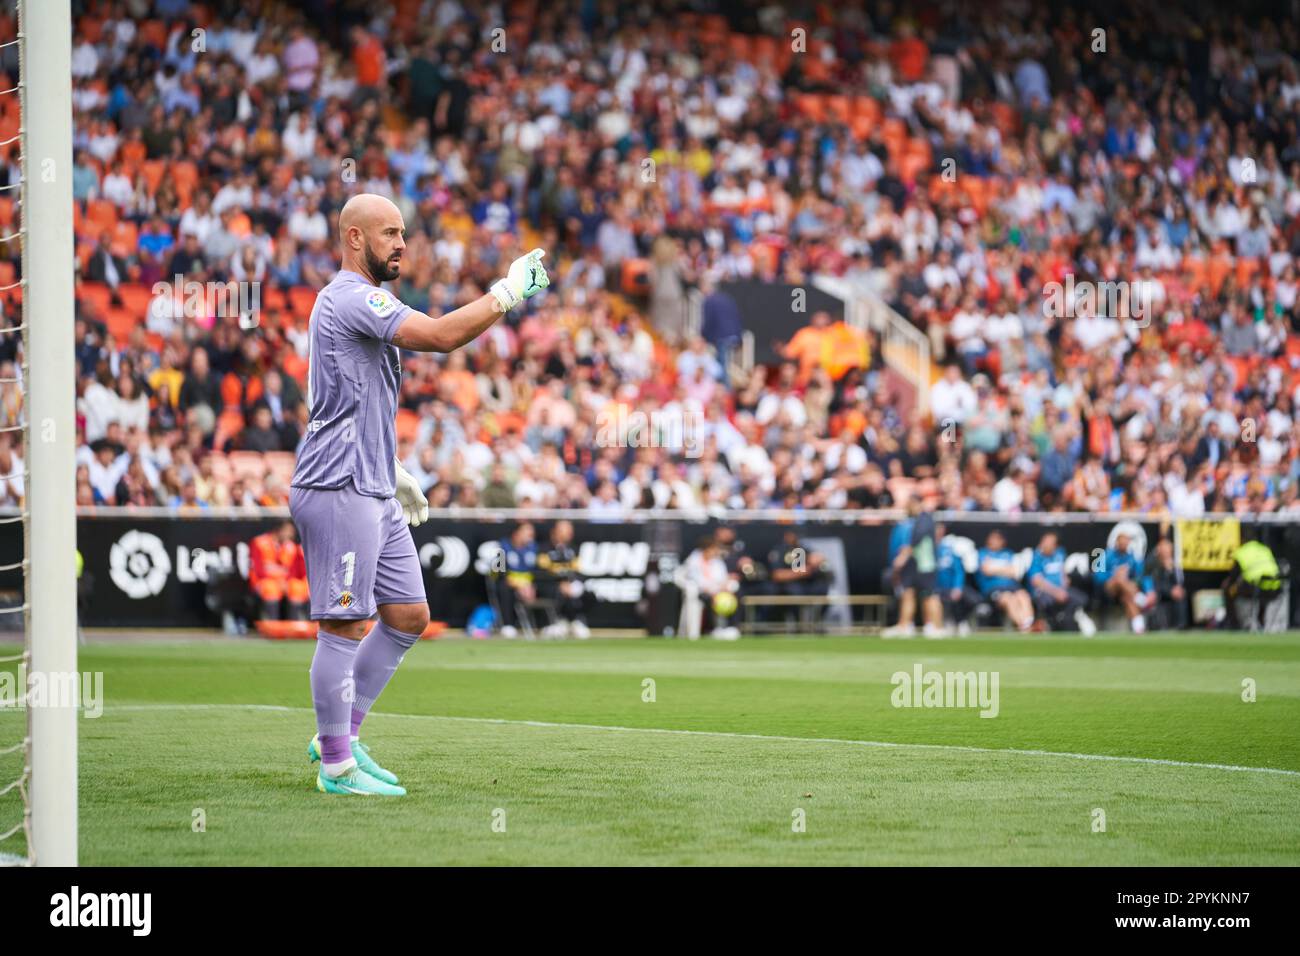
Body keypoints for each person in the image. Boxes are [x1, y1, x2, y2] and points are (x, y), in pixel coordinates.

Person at [291, 193, 550, 797]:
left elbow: (351, 396)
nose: (401, 243)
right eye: (388, 233)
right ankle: (336, 767)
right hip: (339, 483)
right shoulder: (353, 296)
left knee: (408, 616)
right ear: (354, 239)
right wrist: (506, 293)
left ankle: (344, 736)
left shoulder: (356, 302)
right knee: (344, 625)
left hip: (373, 480)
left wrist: (393, 465)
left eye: (403, 232)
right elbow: (437, 336)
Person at [1026, 531, 1096, 635]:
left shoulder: (1060, 553)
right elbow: (1037, 581)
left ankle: (1071, 618)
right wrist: (1056, 592)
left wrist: (1064, 584)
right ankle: (1051, 623)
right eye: (1044, 541)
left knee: (1081, 598)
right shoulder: (1036, 557)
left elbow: (1062, 573)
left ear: (1055, 545)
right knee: (1048, 600)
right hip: (1044, 591)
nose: (1045, 544)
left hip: (1060, 590)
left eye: (1049, 542)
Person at [976, 530, 1037, 632]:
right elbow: (986, 570)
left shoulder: (1008, 553)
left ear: (1002, 541)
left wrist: (994, 567)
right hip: (993, 589)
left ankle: (1028, 624)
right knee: (1009, 598)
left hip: (1012, 586)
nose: (993, 541)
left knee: (1023, 595)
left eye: (997, 539)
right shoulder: (983, 553)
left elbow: (1014, 572)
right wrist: (1005, 568)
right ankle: (1025, 628)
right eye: (992, 538)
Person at [537, 519, 589, 639]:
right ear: (555, 531)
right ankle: (554, 622)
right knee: (558, 591)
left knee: (582, 592)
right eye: (565, 531)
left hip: (568, 584)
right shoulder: (544, 548)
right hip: (549, 584)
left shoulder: (573, 549)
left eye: (570, 531)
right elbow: (543, 572)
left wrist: (574, 583)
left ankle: (574, 621)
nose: (569, 534)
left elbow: (578, 571)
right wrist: (560, 582)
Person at [249, 520, 310, 621]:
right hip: (264, 581)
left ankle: (294, 625)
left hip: (284, 582)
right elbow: (258, 570)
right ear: (278, 530)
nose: (290, 535)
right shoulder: (259, 543)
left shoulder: (291, 547)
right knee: (270, 588)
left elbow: (295, 571)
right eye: (288, 531)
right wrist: (279, 579)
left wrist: (285, 581)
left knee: (297, 588)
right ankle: (271, 625)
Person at [1092, 531, 1152, 634]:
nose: (1124, 544)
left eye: (1126, 542)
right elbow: (1097, 575)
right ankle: (1141, 599)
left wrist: (1149, 590)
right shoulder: (1106, 555)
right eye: (1121, 542)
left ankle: (1139, 628)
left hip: (1125, 591)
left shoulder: (1132, 557)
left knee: (1128, 598)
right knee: (1119, 580)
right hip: (1108, 588)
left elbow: (1141, 575)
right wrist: (1114, 576)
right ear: (1117, 542)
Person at [1223, 532, 1284, 632]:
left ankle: (1234, 624)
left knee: (1228, 589)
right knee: (1263, 593)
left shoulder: (1241, 551)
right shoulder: (1265, 549)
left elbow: (1233, 575)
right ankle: (1261, 619)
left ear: (1242, 540)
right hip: (1274, 588)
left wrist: (1230, 584)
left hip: (1255, 589)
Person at [488, 522, 540, 639]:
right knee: (504, 588)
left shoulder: (534, 549)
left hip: (528, 586)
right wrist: (517, 584)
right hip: (509, 584)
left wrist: (530, 586)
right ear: (516, 534)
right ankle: (508, 625)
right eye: (527, 533)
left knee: (547, 587)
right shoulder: (502, 548)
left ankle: (548, 624)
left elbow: (538, 571)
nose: (530, 536)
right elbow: (498, 571)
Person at [935, 524, 979, 637]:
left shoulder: (949, 548)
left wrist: (957, 587)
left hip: (951, 587)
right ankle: (943, 623)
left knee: (972, 600)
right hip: (936, 587)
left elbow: (958, 570)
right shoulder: (930, 548)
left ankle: (961, 621)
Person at [1143, 538, 1188, 630]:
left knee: (1180, 594)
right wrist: (1169, 590)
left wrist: (1171, 571)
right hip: (1157, 590)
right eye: (1164, 550)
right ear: (1159, 550)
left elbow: (1179, 581)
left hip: (1170, 590)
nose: (1167, 553)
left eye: (1168, 550)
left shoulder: (1174, 563)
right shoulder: (1152, 562)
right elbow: (1154, 581)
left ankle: (1181, 625)